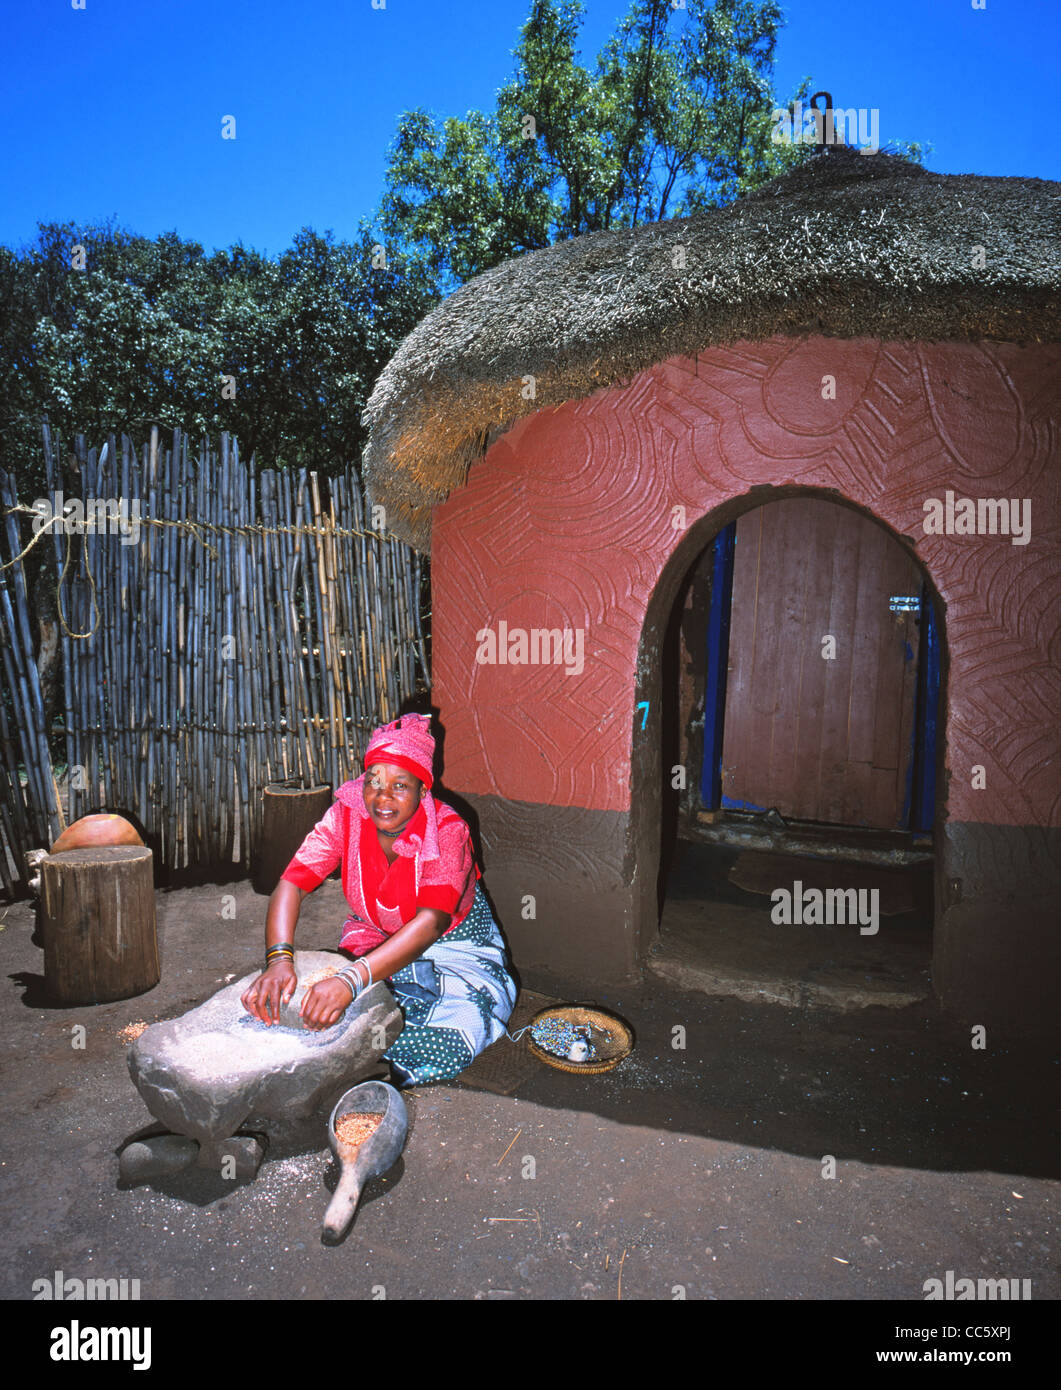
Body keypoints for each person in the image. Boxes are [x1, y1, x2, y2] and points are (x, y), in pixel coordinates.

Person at [240, 713, 517, 1087]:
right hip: (377, 942)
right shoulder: (346, 816)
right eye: (373, 782)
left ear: (423, 791)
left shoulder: (448, 830)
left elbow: (431, 923)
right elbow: (292, 882)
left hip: (457, 950)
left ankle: (361, 1073)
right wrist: (277, 959)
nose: (381, 798)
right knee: (311, 1001)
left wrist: (352, 980)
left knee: (459, 1027)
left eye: (399, 785)